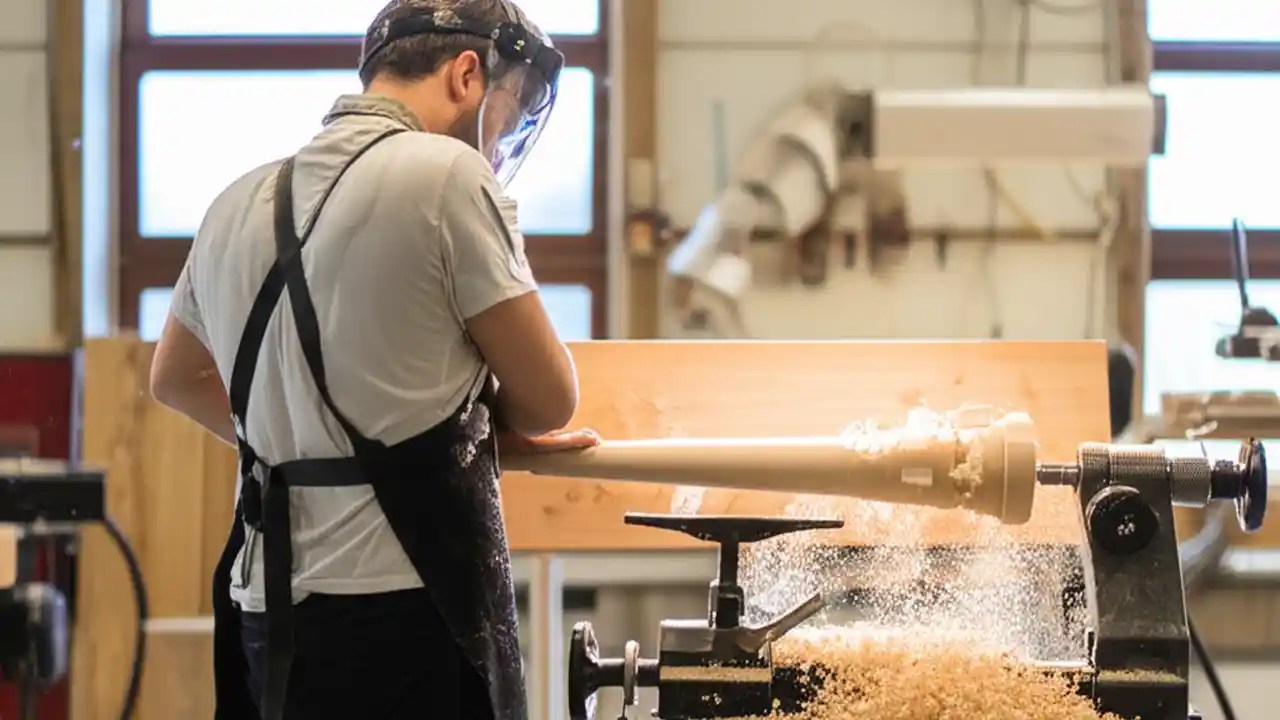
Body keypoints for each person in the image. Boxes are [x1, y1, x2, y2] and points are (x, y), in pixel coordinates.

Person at [148, 1, 599, 718]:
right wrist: (453, 441)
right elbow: (550, 398)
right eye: (509, 115)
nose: (500, 143)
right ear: (467, 74)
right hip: (399, 606)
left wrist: (308, 445)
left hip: (266, 607)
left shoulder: (237, 200)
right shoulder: (447, 176)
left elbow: (174, 377)